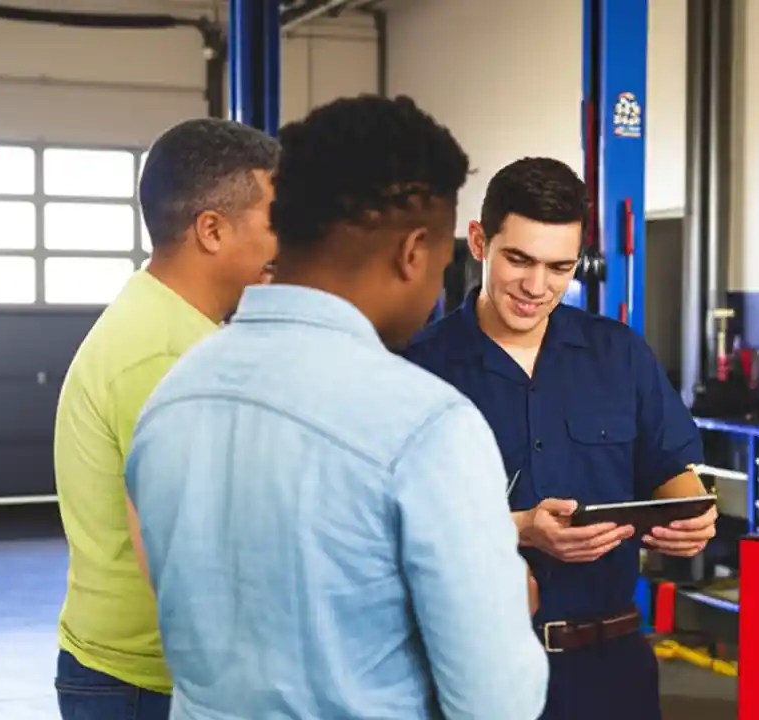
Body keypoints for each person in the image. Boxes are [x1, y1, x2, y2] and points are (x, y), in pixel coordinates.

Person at [124, 95, 548, 720]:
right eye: (441, 261)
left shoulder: (172, 399)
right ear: (413, 252)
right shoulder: (426, 427)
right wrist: (509, 602)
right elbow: (495, 703)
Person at [403, 157, 717, 719]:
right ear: (479, 242)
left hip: (612, 670)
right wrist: (521, 528)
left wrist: (688, 513)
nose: (536, 286)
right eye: (519, 260)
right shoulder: (419, 370)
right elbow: (389, 527)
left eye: (558, 267)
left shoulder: (619, 354)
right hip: (475, 672)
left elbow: (673, 468)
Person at [52, 118, 280, 719]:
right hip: (146, 686)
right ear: (211, 230)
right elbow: (193, 564)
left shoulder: (175, 325)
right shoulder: (166, 358)